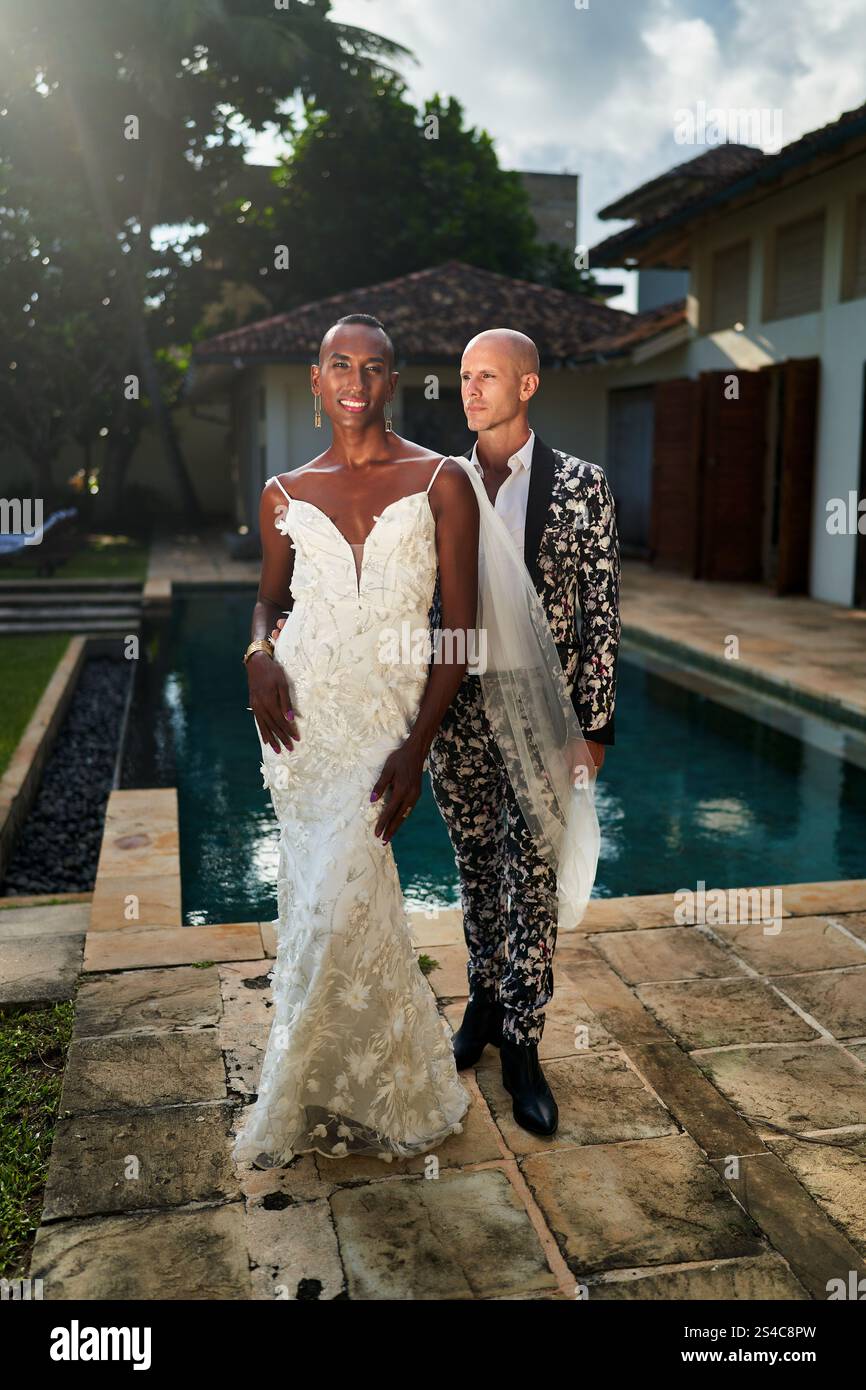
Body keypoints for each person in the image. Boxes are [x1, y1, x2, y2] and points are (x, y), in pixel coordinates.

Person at [231, 313, 480, 1167]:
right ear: (315, 378)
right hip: (302, 721)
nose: (356, 383)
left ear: (393, 382)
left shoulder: (442, 480)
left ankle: (373, 1072)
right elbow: (268, 600)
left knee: (347, 891)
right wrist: (260, 652)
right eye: (340, 365)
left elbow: (459, 631)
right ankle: (325, 1074)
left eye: (374, 368)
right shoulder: (283, 491)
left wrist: (415, 748)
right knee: (323, 901)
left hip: (382, 723)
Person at [426, 329, 620, 1138]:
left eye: (489, 377)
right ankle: (483, 997)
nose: (471, 391)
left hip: (545, 709)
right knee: (475, 865)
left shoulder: (584, 486)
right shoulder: (440, 484)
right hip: (460, 711)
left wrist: (597, 726)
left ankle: (525, 1045)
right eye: (465, 378)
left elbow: (603, 611)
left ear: (529, 385)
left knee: (531, 876)